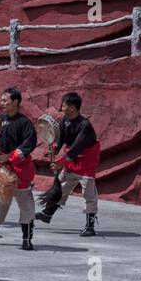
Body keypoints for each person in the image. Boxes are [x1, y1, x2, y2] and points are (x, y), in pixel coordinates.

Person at [0, 88, 38, 250]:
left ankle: (27, 239)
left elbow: (28, 145)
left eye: (5, 100)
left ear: (16, 102)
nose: (1, 103)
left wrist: (9, 157)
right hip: (2, 169)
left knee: (25, 204)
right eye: (1, 100)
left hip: (20, 170)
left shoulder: (25, 123)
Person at [35, 92, 101, 236]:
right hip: (71, 163)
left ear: (72, 107)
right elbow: (61, 139)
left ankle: (90, 226)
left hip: (86, 165)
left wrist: (59, 163)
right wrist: (54, 149)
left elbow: (75, 149)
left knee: (89, 195)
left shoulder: (85, 125)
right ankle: (48, 213)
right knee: (61, 188)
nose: (61, 108)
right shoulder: (65, 120)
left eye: (63, 105)